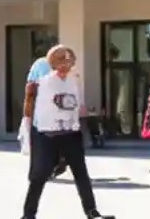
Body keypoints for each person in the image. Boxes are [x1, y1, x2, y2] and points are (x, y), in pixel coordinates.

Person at [20, 45, 114, 219]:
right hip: (46, 134)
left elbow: (76, 104)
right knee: (39, 175)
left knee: (81, 173)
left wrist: (81, 118)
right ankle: (28, 214)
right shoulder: (44, 81)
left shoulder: (73, 80)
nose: (66, 64)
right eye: (62, 60)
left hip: (70, 132)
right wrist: (27, 125)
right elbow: (30, 101)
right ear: (54, 63)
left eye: (69, 61)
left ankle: (91, 211)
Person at [27, 54, 68, 179]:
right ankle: (55, 164)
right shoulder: (61, 66)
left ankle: (39, 170)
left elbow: (30, 87)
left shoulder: (39, 64)